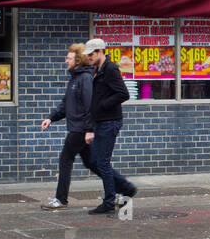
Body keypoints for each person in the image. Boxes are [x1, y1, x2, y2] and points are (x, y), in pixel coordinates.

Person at [83, 38, 138, 214]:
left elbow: (123, 93)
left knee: (102, 163)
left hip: (110, 121)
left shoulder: (111, 69)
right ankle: (125, 189)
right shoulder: (97, 70)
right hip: (100, 122)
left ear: (100, 52)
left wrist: (103, 105)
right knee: (95, 161)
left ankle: (109, 202)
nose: (89, 57)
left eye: (91, 54)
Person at [40, 43, 94, 209]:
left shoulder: (85, 79)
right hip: (78, 128)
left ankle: (61, 199)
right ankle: (121, 189)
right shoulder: (75, 78)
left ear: (77, 60)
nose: (65, 61)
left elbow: (90, 105)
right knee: (95, 163)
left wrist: (89, 129)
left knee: (65, 160)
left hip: (80, 129)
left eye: (68, 58)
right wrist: (51, 118)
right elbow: (65, 105)